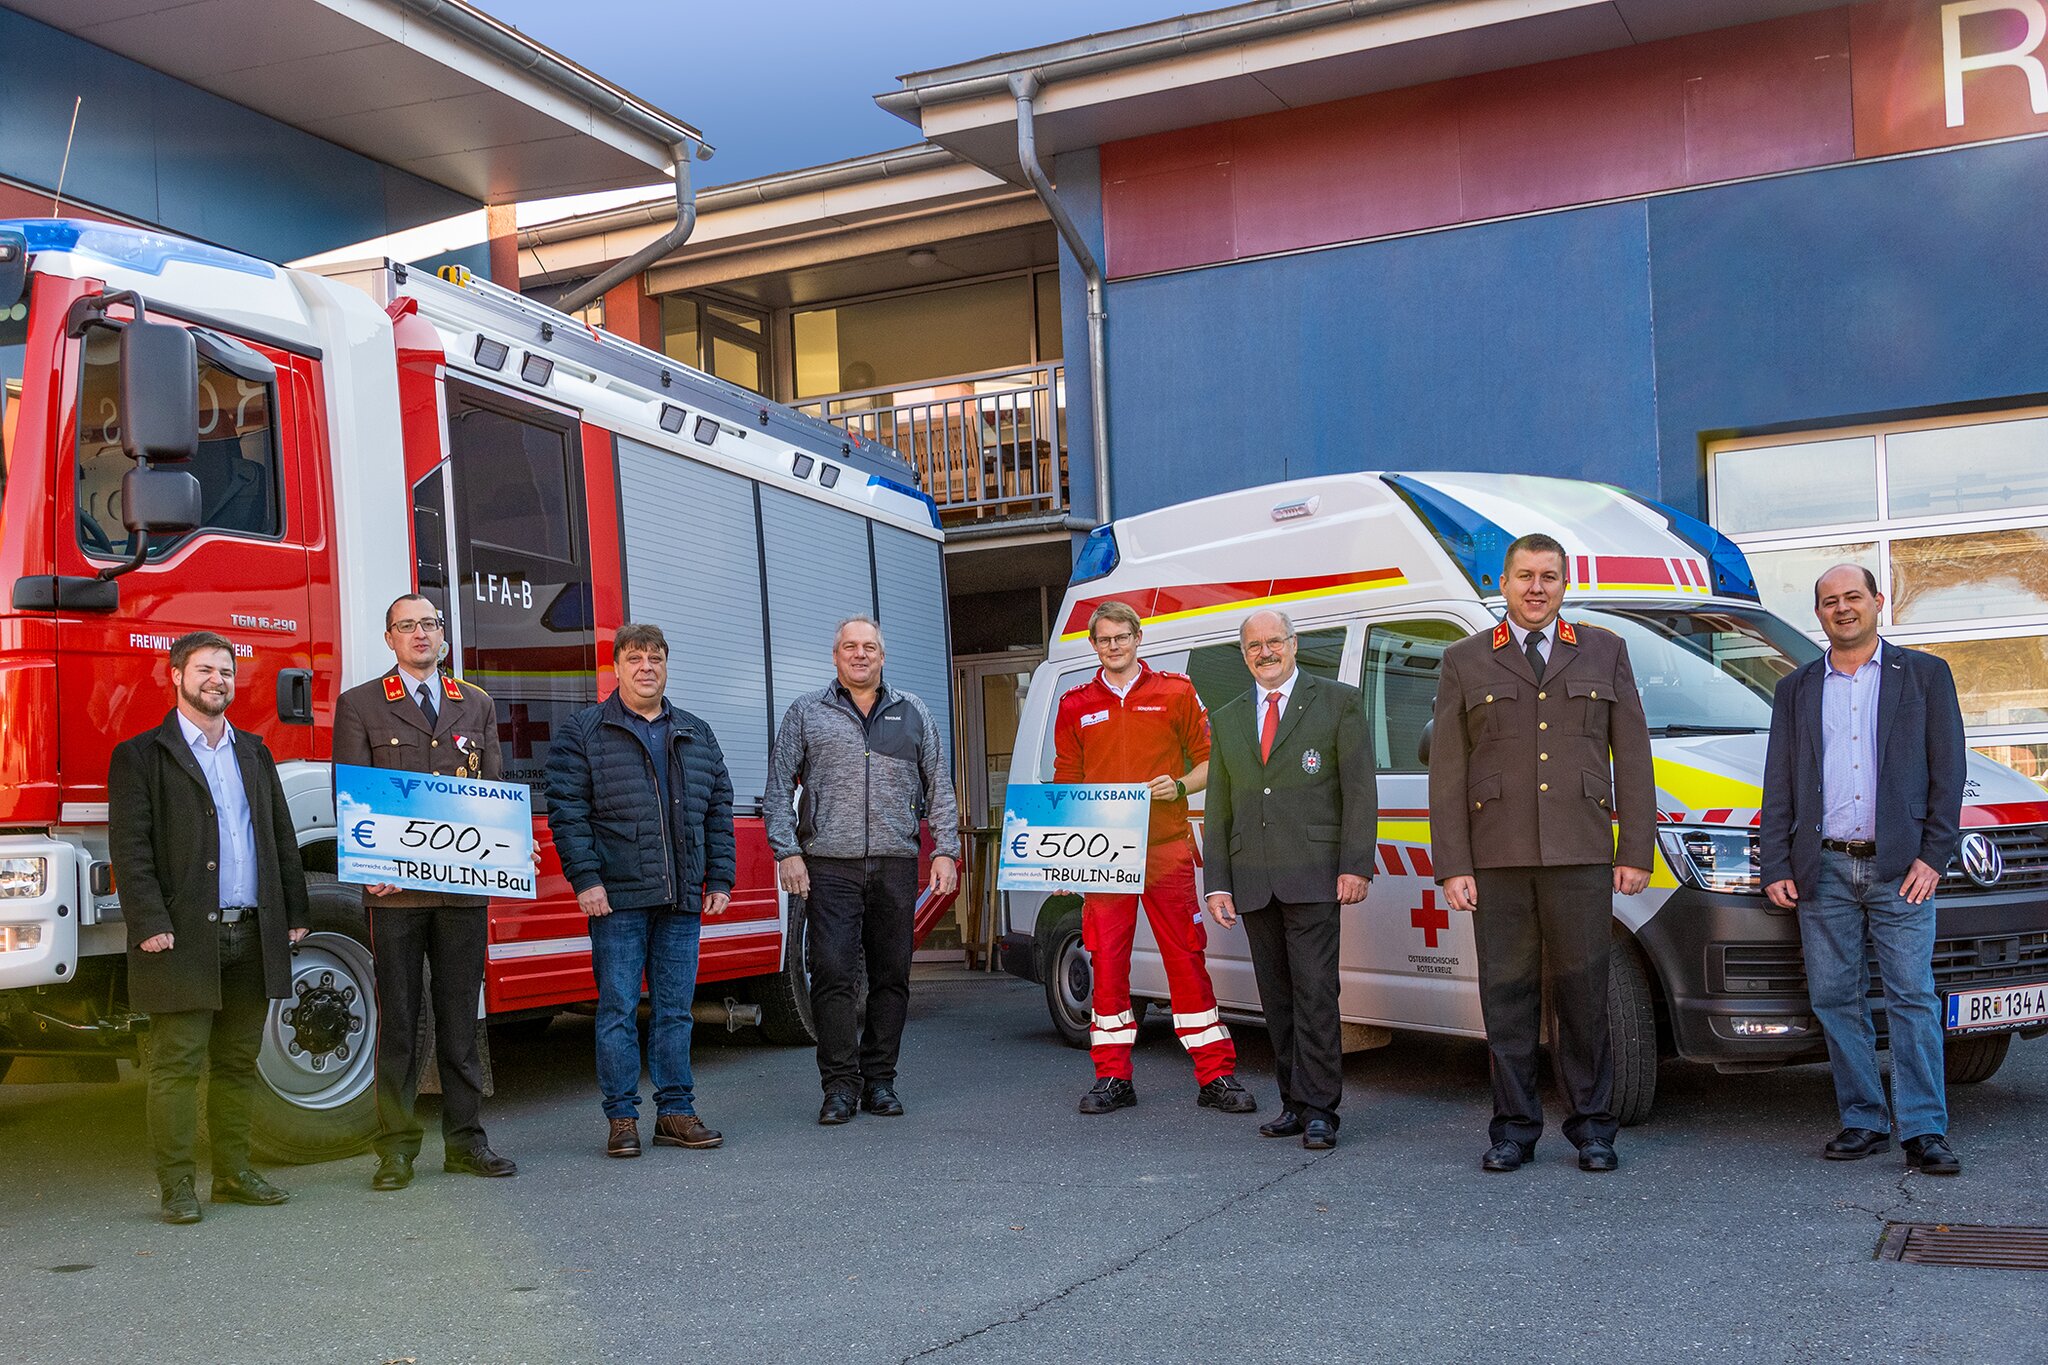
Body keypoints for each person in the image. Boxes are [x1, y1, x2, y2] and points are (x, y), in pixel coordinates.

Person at [1429, 533, 1654, 1174]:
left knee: (1584, 995)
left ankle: (1593, 1129)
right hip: (1496, 857)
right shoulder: (1465, 659)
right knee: (1507, 998)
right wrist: (1454, 865)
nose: (1536, 588)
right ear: (1503, 584)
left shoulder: (1605, 651)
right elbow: (1447, 771)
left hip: (1581, 852)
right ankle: (1514, 1129)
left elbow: (1632, 755)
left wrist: (1635, 849)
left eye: (1548, 576)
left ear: (1564, 584)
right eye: (1524, 576)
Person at [1761, 565, 1966, 1176]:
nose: (1842, 608)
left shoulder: (1925, 675)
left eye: (1853, 597)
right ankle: (1863, 1119)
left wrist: (1934, 856)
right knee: (1834, 998)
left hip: (1902, 869)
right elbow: (1779, 782)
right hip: (1822, 867)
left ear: (1878, 602)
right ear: (1818, 614)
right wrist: (1776, 861)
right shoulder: (1796, 688)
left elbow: (1948, 772)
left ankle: (1924, 1129)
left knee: (1912, 998)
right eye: (1830, 601)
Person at [109, 632, 310, 1224]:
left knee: (237, 1062)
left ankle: (232, 1175)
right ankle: (176, 1187)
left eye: (226, 671)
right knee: (177, 1064)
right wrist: (148, 920)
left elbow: (279, 836)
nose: (217, 680)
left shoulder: (254, 752)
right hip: (180, 935)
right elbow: (131, 847)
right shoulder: (141, 755)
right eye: (204, 670)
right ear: (176, 675)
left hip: (252, 930)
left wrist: (295, 912)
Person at [334, 594, 515, 1190]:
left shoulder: (476, 703)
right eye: (407, 626)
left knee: (461, 1022)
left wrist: (508, 844)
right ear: (389, 638)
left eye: (429, 624)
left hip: (463, 893)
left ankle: (466, 1142)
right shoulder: (361, 704)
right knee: (400, 1026)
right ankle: (395, 1150)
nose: (420, 634)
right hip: (396, 896)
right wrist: (370, 863)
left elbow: (491, 790)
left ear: (442, 636)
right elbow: (352, 797)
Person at [1052, 601, 1254, 1117]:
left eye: (1122, 637)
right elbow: (1066, 781)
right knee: (1108, 964)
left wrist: (1179, 785)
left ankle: (1216, 1075)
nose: (1113, 646)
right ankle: (1112, 1078)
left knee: (1186, 959)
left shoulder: (1175, 692)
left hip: (1164, 847)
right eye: (1104, 639)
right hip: (1103, 856)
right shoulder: (1075, 703)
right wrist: (1063, 862)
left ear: (1138, 638)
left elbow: (1212, 761)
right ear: (1093, 645)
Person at [546, 623, 736, 1158]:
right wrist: (586, 880)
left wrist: (720, 877)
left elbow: (718, 808)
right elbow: (567, 812)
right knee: (618, 1010)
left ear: (666, 665)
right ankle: (622, 1119)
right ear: (617, 668)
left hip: (681, 896)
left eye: (655, 658)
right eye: (635, 658)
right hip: (617, 898)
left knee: (675, 1011)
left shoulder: (696, 731)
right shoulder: (584, 731)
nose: (646, 667)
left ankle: (675, 1112)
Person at [766, 616, 960, 1125]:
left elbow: (938, 783)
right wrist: (786, 851)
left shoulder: (912, 711)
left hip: (896, 862)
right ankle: (838, 1087)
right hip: (829, 866)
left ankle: (880, 1082)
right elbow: (778, 786)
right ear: (835, 656)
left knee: (891, 975)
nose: (859, 654)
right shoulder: (807, 712)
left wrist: (946, 850)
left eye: (869, 647)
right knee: (833, 974)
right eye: (850, 647)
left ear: (882, 656)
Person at [1203, 609, 1377, 1150]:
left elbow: (1359, 791)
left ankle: (1321, 1109)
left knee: (1316, 994)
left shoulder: (1338, 702)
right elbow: (1219, 806)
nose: (1266, 653)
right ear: (1243, 654)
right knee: (1276, 1000)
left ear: (1294, 644)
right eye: (1254, 646)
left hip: (1315, 875)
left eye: (1274, 641)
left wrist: (1355, 864)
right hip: (1254, 881)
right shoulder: (1228, 717)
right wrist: (1218, 882)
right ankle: (1293, 1103)